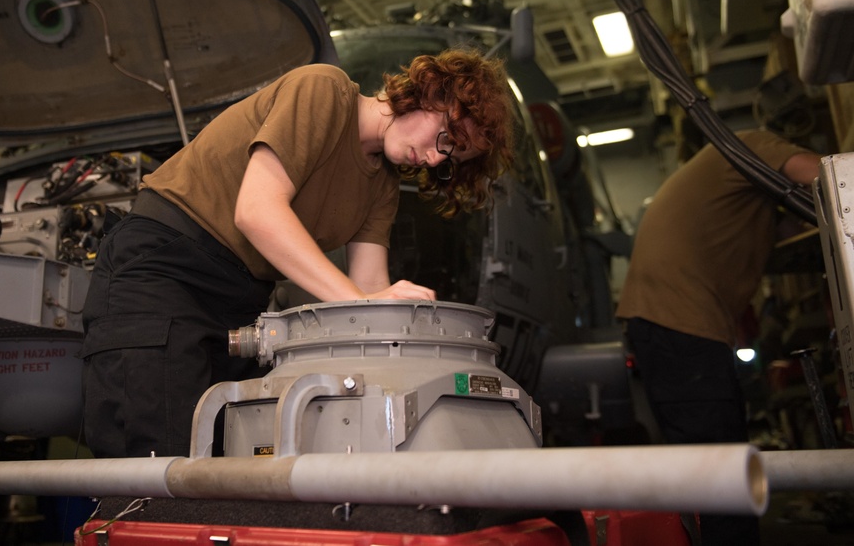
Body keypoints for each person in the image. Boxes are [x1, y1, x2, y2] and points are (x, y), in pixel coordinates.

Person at [80, 50, 513, 459]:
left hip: (239, 299)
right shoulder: (324, 90)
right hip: (163, 268)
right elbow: (257, 211)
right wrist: (361, 301)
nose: (435, 157)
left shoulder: (381, 185)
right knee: (159, 457)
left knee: (225, 458)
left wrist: (411, 329)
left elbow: (367, 294)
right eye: (444, 137)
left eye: (449, 157)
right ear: (427, 92)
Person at [616, 128, 821, 546]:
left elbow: (787, 232)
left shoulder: (738, 184)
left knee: (712, 468)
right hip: (681, 323)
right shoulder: (754, 144)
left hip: (668, 323)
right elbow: (826, 173)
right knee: (722, 473)